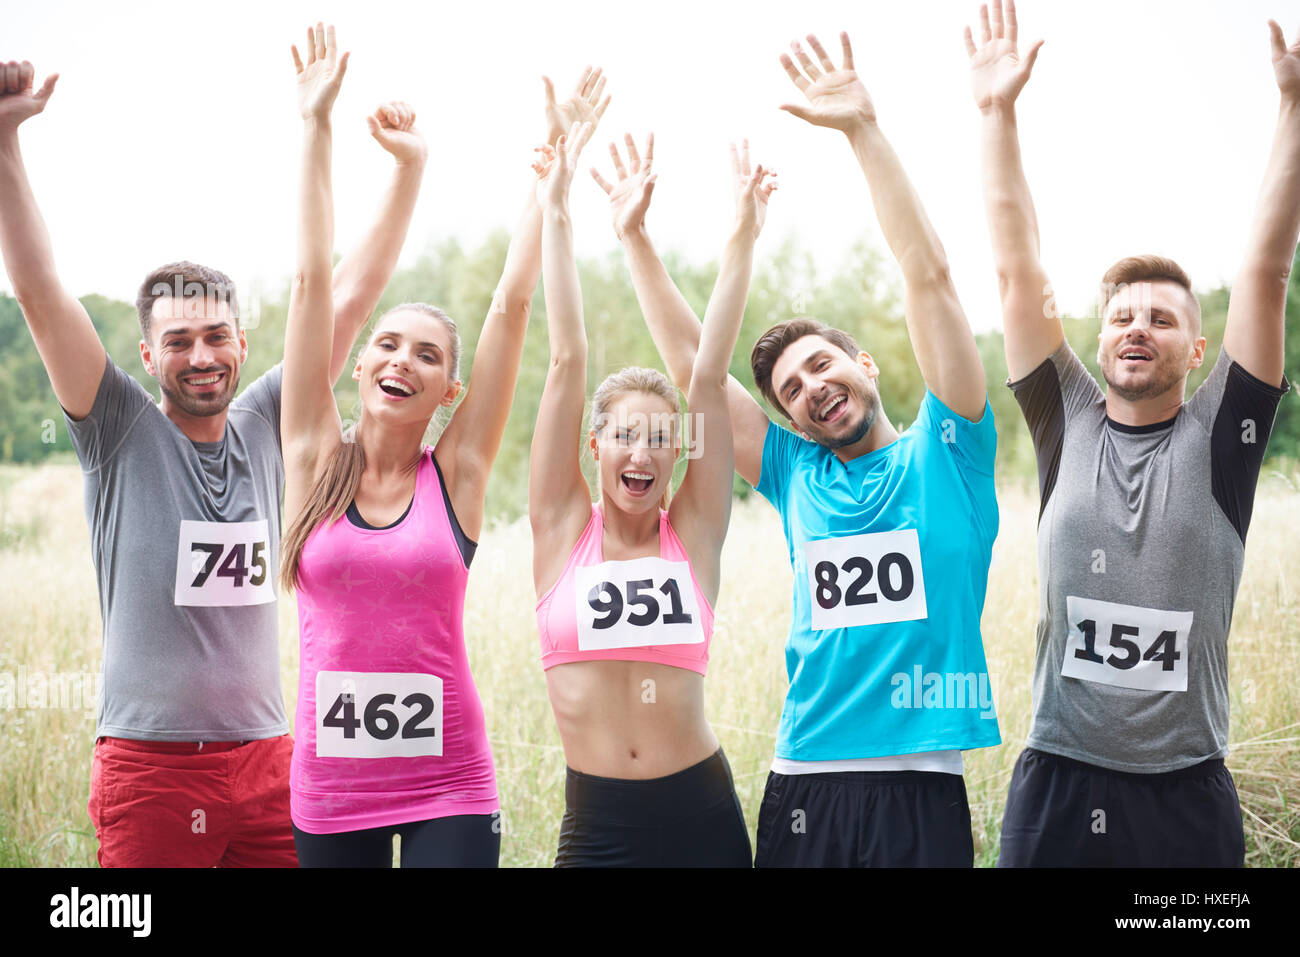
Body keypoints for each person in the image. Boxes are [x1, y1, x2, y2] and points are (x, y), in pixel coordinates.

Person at [0, 29, 427, 866]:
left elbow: (350, 289)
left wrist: (408, 169)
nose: (202, 356)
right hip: (151, 769)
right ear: (149, 354)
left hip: (271, 762)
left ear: (241, 341)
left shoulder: (275, 413)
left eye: (218, 336)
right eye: (181, 340)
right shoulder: (116, 426)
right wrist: (6, 141)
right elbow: (42, 291)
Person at [626, 31, 1001, 867]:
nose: (811, 388)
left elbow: (928, 275)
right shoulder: (798, 473)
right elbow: (698, 369)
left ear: (864, 364)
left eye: (821, 365)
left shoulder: (949, 450)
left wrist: (863, 131)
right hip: (804, 782)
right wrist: (637, 241)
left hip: (920, 787)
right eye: (791, 391)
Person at [967, 0, 1298, 867]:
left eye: (1160, 316)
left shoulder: (1226, 437)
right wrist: (997, 114)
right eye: (1121, 316)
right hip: (1058, 781)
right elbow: (1015, 266)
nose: (1137, 327)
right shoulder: (1062, 419)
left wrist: (1294, 109)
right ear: (1100, 336)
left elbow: (1264, 271)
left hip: (1187, 793)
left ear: (1198, 347)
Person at [279, 39, 611, 866]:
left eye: (428, 355)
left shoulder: (455, 476)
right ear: (357, 366)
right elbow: (312, 285)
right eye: (387, 345)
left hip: (449, 783)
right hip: (331, 785)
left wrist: (551, 180)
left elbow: (512, 303)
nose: (402, 361)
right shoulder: (312, 453)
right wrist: (316, 125)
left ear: (450, 392)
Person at [530, 126, 769, 867]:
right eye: (627, 436)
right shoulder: (563, 526)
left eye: (662, 439)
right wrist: (558, 208)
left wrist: (743, 239)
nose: (644, 452)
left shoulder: (692, 531)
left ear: (681, 452)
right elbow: (568, 356)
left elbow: (707, 372)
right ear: (594, 445)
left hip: (702, 813)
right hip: (597, 823)